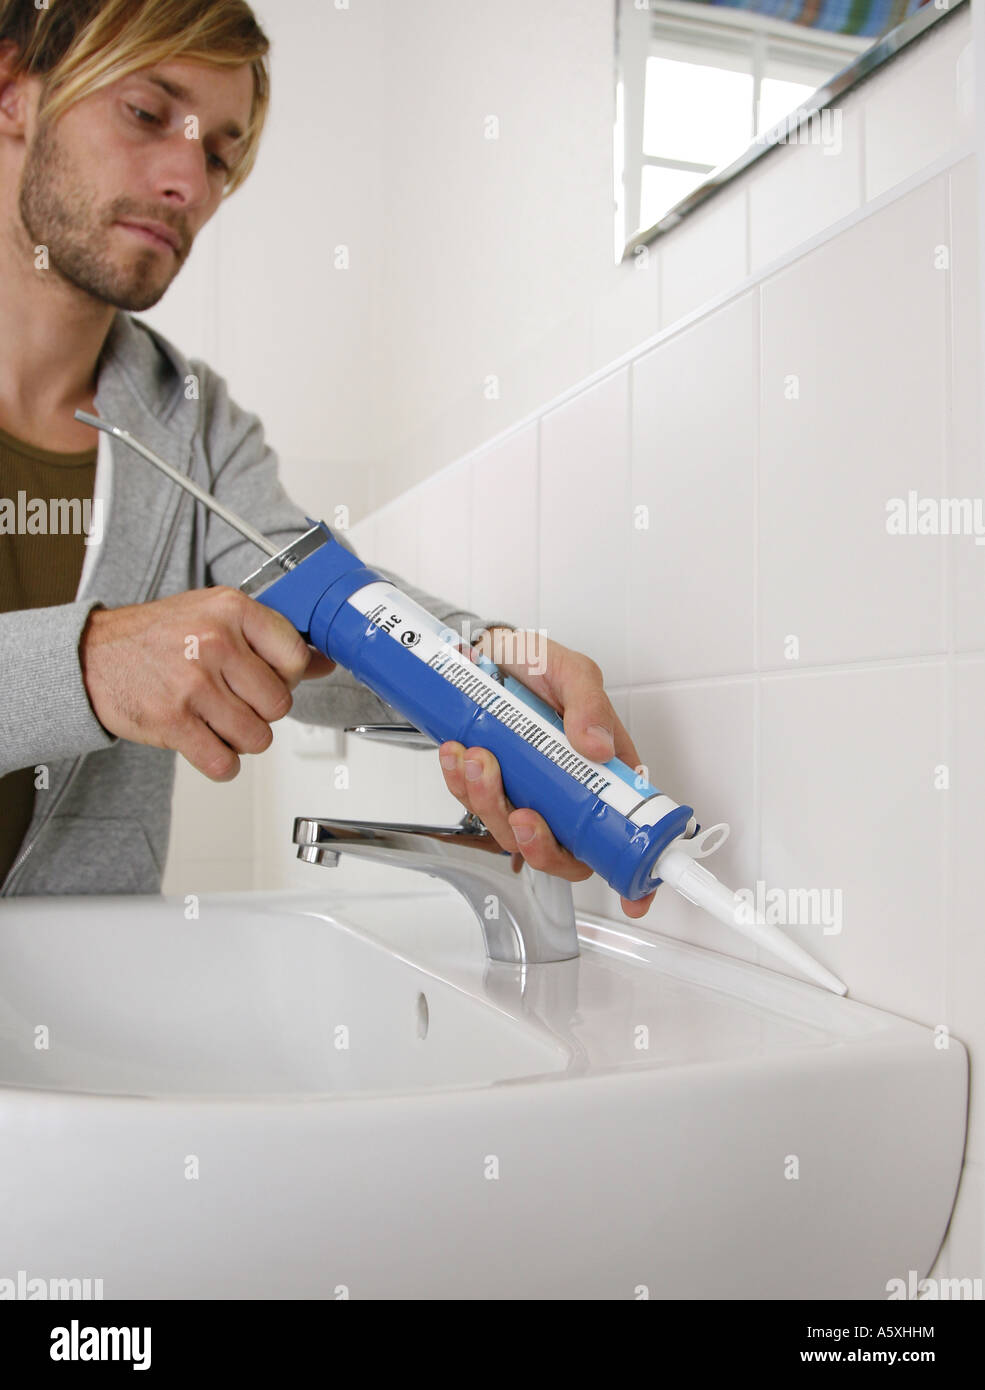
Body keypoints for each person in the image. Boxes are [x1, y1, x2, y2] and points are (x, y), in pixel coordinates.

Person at [0, 0, 655, 917]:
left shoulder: (194, 423)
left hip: (77, 1018)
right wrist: (85, 665)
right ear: (13, 92)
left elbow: (318, 618)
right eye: (148, 113)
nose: (189, 178)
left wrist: (488, 669)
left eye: (221, 152)